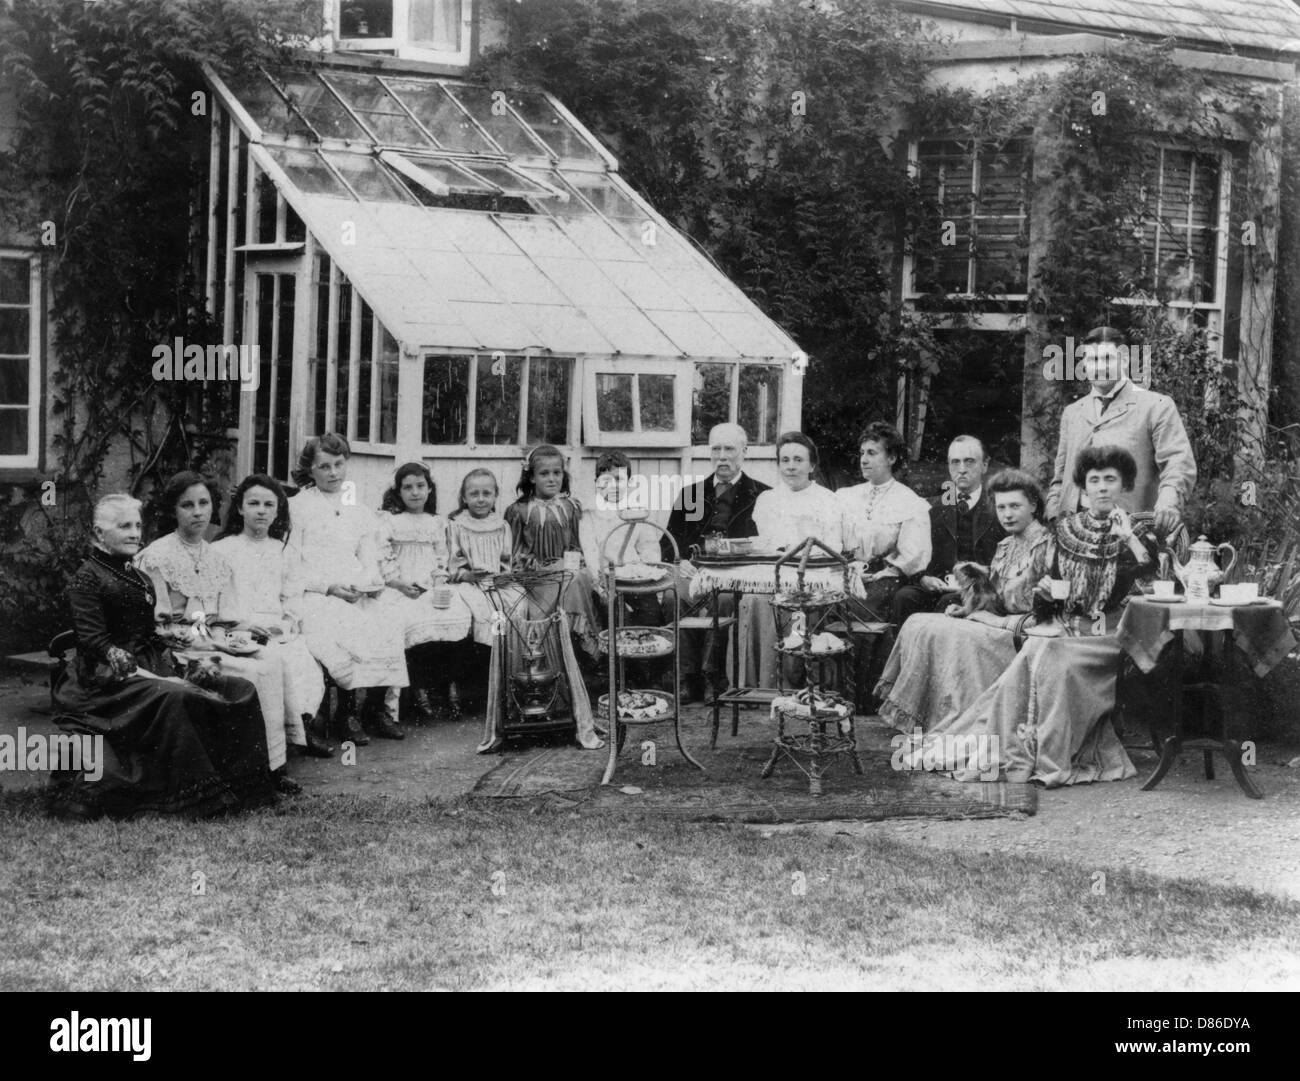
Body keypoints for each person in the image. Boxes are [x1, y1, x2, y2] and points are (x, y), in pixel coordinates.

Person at [902, 446, 1159, 787]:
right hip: (1067, 630)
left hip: (1110, 635)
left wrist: (1127, 538)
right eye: (1094, 480)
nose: (1101, 488)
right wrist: (1046, 598)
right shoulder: (1067, 532)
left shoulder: (1138, 533)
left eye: (1109, 480)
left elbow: (1149, 577)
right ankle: (1011, 745)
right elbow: (1048, 593)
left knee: (1049, 653)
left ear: (1123, 485)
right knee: (1038, 649)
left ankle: (1051, 755)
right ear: (1083, 487)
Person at [49, 494, 277, 819]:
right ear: (100, 534)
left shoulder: (140, 577)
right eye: (124, 525)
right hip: (104, 683)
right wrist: (142, 668)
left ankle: (244, 788)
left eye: (137, 525)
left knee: (238, 687)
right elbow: (93, 641)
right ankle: (191, 799)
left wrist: (176, 645)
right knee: (177, 695)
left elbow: (149, 634)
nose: (134, 532)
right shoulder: (86, 579)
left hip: (149, 667)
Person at [136, 471, 308, 792]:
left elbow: (222, 614)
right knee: (250, 673)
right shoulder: (157, 556)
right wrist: (193, 637)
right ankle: (247, 773)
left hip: (211, 638)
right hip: (175, 647)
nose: (198, 512)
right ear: (174, 510)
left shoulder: (214, 556)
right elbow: (151, 623)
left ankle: (273, 764)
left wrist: (242, 625)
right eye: (188, 505)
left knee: (271, 660)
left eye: (204, 504)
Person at [875, 469, 1055, 734]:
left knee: (950, 636)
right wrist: (968, 608)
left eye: (1015, 506)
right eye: (1001, 507)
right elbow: (995, 597)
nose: (1007, 514)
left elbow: (1047, 614)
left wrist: (994, 619)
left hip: (1023, 637)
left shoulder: (1047, 546)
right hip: (994, 625)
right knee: (918, 623)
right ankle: (927, 716)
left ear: (1034, 505)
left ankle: (954, 716)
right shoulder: (1006, 545)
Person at [287, 433, 409, 744]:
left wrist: (370, 584)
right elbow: (291, 564)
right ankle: (344, 714)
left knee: (389, 619)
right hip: (316, 591)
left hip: (355, 588)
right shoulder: (297, 507)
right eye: (324, 467)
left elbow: (367, 556)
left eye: (339, 465)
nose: (333, 473)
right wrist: (328, 587)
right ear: (311, 470)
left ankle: (375, 710)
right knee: (342, 624)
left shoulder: (357, 507)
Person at [212, 473, 332, 761]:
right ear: (240, 508)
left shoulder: (283, 550)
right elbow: (217, 601)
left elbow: (292, 595)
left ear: (278, 510)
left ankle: (300, 729)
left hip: (276, 627)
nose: (261, 510)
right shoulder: (222, 549)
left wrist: (288, 621)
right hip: (238, 627)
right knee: (272, 665)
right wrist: (239, 623)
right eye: (253, 503)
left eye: (269, 504)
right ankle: (265, 737)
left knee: (303, 662)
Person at [1047, 325, 1196, 539]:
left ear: (1124, 360)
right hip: (1074, 531)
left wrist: (1169, 500)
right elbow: (1060, 475)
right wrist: (1054, 512)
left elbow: (1178, 462)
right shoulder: (1073, 412)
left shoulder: (1156, 406)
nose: (1100, 368)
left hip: (1130, 530)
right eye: (1092, 360)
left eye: (1108, 359)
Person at [661, 422, 770, 702]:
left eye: (729, 449)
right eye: (716, 449)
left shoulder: (761, 495)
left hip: (735, 574)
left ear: (744, 452)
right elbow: (668, 544)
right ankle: (685, 677)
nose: (722, 456)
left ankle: (713, 676)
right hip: (693, 571)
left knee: (722, 602)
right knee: (674, 597)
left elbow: (765, 545)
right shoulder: (691, 495)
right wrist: (679, 560)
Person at [739, 431, 843, 688]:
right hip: (774, 573)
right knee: (753, 600)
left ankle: (794, 680)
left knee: (799, 603)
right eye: (784, 460)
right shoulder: (767, 500)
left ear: (812, 465)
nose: (791, 466)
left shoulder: (828, 500)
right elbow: (765, 544)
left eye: (798, 459)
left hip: (813, 575)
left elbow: (833, 547)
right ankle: (759, 684)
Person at [375, 462, 473, 722]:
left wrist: (438, 579)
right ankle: (418, 690)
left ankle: (450, 685)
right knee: (409, 620)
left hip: (430, 585)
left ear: (430, 490)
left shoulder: (437, 522)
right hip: (400, 587)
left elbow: (442, 558)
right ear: (398, 492)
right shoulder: (390, 522)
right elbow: (383, 557)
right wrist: (397, 583)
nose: (415, 492)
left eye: (420, 486)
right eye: (407, 487)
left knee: (456, 613)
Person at [891, 435, 1002, 625]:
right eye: (955, 462)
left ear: (984, 465)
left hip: (980, 590)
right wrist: (924, 578)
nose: (962, 469)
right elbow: (917, 554)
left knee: (947, 603)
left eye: (969, 461)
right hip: (941, 584)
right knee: (904, 598)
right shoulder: (933, 508)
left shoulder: (998, 507)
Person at [505, 444, 600, 660]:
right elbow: (514, 552)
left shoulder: (570, 507)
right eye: (544, 474)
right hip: (536, 575)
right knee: (569, 579)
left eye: (557, 473)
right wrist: (531, 564)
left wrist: (571, 564)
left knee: (576, 577)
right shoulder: (519, 511)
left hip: (568, 571)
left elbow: (576, 546)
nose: (552, 479)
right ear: (531, 477)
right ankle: (553, 654)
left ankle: (574, 651)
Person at [835, 421, 931, 622]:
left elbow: (912, 556)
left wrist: (883, 573)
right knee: (821, 603)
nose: (863, 460)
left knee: (859, 607)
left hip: (884, 579)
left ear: (891, 458)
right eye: (862, 453)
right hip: (847, 573)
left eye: (872, 453)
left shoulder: (909, 501)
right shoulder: (845, 496)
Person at [446, 467, 515, 713]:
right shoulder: (457, 525)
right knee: (480, 609)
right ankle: (468, 685)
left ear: (496, 495)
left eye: (487, 493)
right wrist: (467, 574)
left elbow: (507, 561)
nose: (481, 499)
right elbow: (452, 563)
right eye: (474, 494)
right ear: (464, 497)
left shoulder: (502, 525)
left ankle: (501, 679)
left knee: (511, 606)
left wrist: (504, 576)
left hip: (496, 583)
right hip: (468, 583)